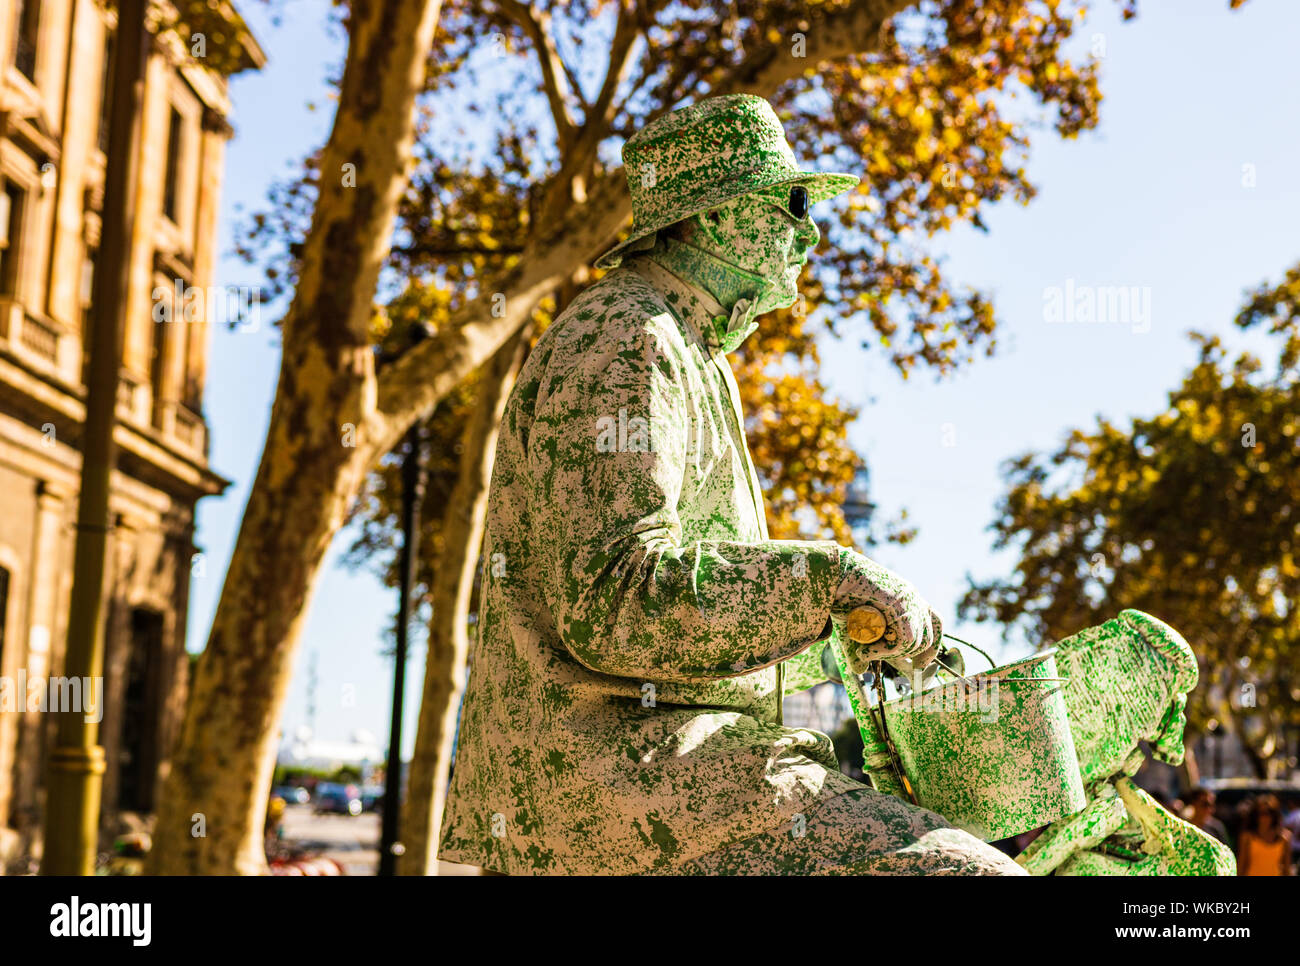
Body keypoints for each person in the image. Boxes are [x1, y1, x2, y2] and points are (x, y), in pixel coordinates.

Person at [436, 94, 1025, 875]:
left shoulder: (684, 348)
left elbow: (687, 630)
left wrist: (843, 631)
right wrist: (827, 582)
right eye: (791, 202)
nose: (809, 232)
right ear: (710, 218)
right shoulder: (627, 336)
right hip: (621, 785)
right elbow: (616, 601)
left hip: (668, 772)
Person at [1237, 794, 1293, 876]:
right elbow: (1241, 866)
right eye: (1262, 813)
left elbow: (1287, 868)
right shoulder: (1247, 837)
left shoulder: (1284, 838)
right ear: (1255, 815)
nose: (1266, 816)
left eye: (1270, 812)